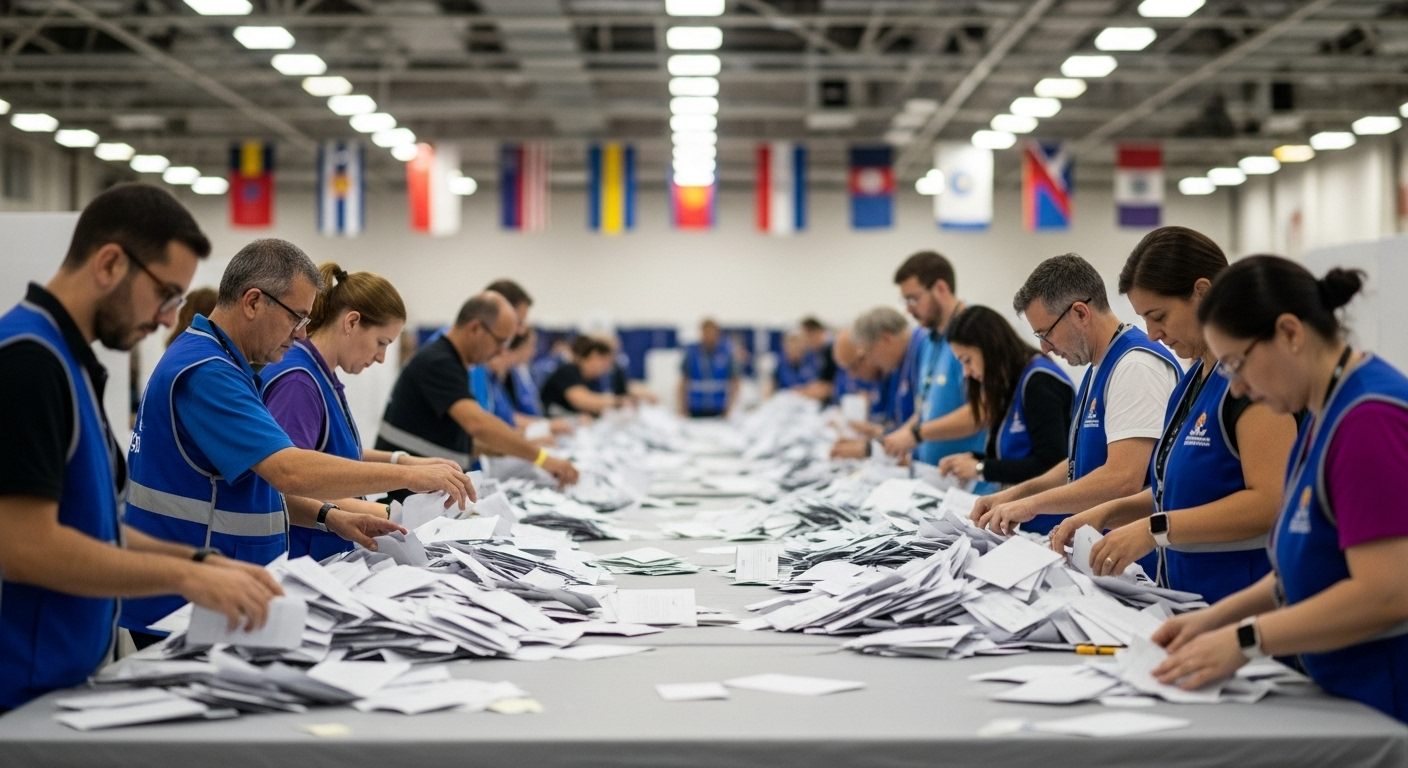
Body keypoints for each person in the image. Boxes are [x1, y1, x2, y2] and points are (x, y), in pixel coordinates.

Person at [0, 184, 284, 710]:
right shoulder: (28, 362)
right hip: (19, 696)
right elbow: (24, 548)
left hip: (56, 684)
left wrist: (201, 560)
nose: (167, 319)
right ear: (109, 264)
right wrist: (185, 576)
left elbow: (94, 529)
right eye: (166, 295)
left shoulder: (65, 361)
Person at [122, 239, 474, 644]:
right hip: (188, 601)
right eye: (297, 318)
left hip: (213, 592)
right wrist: (406, 476)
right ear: (253, 302)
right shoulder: (209, 373)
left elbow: (259, 484)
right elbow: (289, 469)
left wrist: (330, 516)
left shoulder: (224, 365)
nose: (301, 333)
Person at [1150, 257, 1408, 723]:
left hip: (1384, 704)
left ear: (1290, 332)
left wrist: (1247, 638)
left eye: (1236, 364)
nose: (1239, 388)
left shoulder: (1369, 419)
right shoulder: (1320, 414)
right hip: (1339, 694)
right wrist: (1213, 620)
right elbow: (1306, 569)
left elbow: (1386, 592)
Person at [1048, 229, 1297, 602]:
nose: (1152, 334)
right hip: (1186, 602)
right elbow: (1175, 494)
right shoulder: (1193, 380)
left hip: (1240, 603)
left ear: (1202, 292)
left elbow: (1271, 501)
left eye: (1158, 315)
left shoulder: (1251, 383)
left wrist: (1154, 530)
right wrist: (1105, 513)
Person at [262, 263, 465, 562]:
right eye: (380, 343)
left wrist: (408, 463)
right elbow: (289, 485)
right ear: (352, 322)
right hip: (306, 555)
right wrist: (395, 506)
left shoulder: (320, 374)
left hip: (327, 551)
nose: (382, 358)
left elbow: (334, 453)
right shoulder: (298, 383)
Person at [971, 253, 1180, 537]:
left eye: (1046, 334)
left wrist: (1032, 505)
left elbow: (1123, 479)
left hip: (1137, 564)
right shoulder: (1098, 365)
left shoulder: (1135, 366)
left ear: (1080, 313)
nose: (1045, 349)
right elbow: (1076, 466)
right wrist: (1015, 495)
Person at [375, 291, 579, 489]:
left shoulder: (456, 363)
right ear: (475, 328)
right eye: (500, 341)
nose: (501, 351)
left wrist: (512, 448)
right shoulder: (438, 362)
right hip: (404, 495)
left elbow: (455, 438)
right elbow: (478, 424)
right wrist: (542, 458)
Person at [938, 305, 1075, 488]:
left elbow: (1051, 465)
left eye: (967, 360)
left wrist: (981, 468)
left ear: (991, 346)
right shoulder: (1009, 381)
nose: (966, 372)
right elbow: (1016, 456)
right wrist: (974, 461)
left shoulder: (1039, 382)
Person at [881, 251, 986, 464]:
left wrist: (917, 434)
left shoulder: (976, 328)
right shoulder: (929, 339)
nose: (908, 309)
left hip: (972, 484)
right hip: (934, 476)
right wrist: (900, 436)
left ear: (940, 288)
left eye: (913, 299)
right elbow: (927, 408)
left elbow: (983, 410)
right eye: (904, 300)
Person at [829, 310, 917, 459]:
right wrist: (873, 432)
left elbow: (917, 435)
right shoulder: (889, 372)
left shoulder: (903, 367)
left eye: (853, 367)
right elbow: (898, 428)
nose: (852, 376)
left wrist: (869, 448)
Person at [541, 336, 622, 416]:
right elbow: (583, 401)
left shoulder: (589, 378)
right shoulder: (568, 371)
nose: (606, 368)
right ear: (594, 357)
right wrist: (618, 401)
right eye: (605, 363)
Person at [678, 318, 737, 418]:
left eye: (712, 332)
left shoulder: (726, 353)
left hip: (719, 409)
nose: (709, 335)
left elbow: (735, 382)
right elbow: (683, 382)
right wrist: (682, 407)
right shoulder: (691, 353)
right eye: (706, 332)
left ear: (717, 333)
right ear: (701, 332)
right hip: (695, 408)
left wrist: (730, 407)